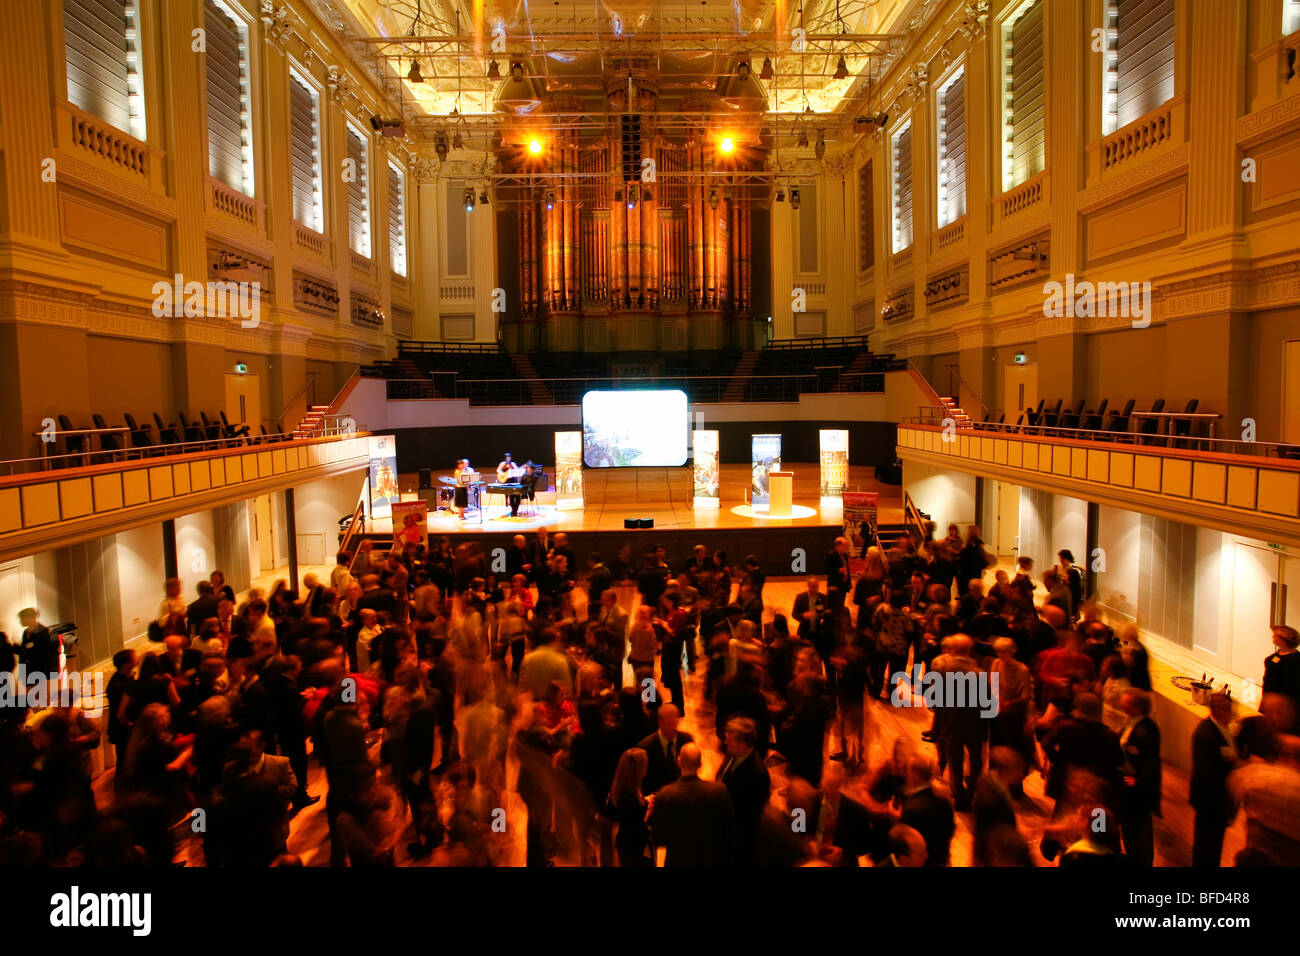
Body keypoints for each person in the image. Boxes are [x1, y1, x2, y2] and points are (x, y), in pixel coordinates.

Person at [649, 743, 735, 866]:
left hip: (679, 860)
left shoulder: (665, 794)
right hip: (711, 859)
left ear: (679, 762)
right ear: (700, 763)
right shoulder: (719, 791)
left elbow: (658, 839)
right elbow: (729, 830)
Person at [1190, 691, 1237, 867]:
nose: (1231, 712)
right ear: (1217, 709)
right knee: (1206, 845)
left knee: (1214, 844)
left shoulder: (1222, 729)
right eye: (1227, 709)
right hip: (1210, 802)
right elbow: (1207, 775)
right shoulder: (1206, 735)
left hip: (1218, 803)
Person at [716, 716, 771, 865]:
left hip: (738, 837)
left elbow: (749, 815)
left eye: (729, 739)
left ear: (743, 743)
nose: (725, 742)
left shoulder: (757, 773)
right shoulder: (733, 754)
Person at [1117, 688, 1161, 866]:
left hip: (1138, 791)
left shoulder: (1145, 731)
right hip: (1129, 788)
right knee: (1129, 827)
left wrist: (1138, 782)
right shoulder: (1132, 723)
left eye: (1126, 702)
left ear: (1137, 707)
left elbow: (1150, 763)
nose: (1121, 703)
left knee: (1138, 828)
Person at [608, 748, 651, 866]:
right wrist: (649, 808)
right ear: (637, 768)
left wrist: (645, 801)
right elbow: (637, 823)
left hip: (627, 842)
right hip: (633, 845)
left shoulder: (625, 788)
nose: (647, 767)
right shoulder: (627, 797)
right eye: (645, 764)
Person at [1263, 625, 1300, 726]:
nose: (1273, 637)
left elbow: (1294, 686)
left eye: (1275, 636)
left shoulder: (1296, 661)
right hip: (1269, 700)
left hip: (1283, 706)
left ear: (1284, 639)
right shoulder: (1276, 656)